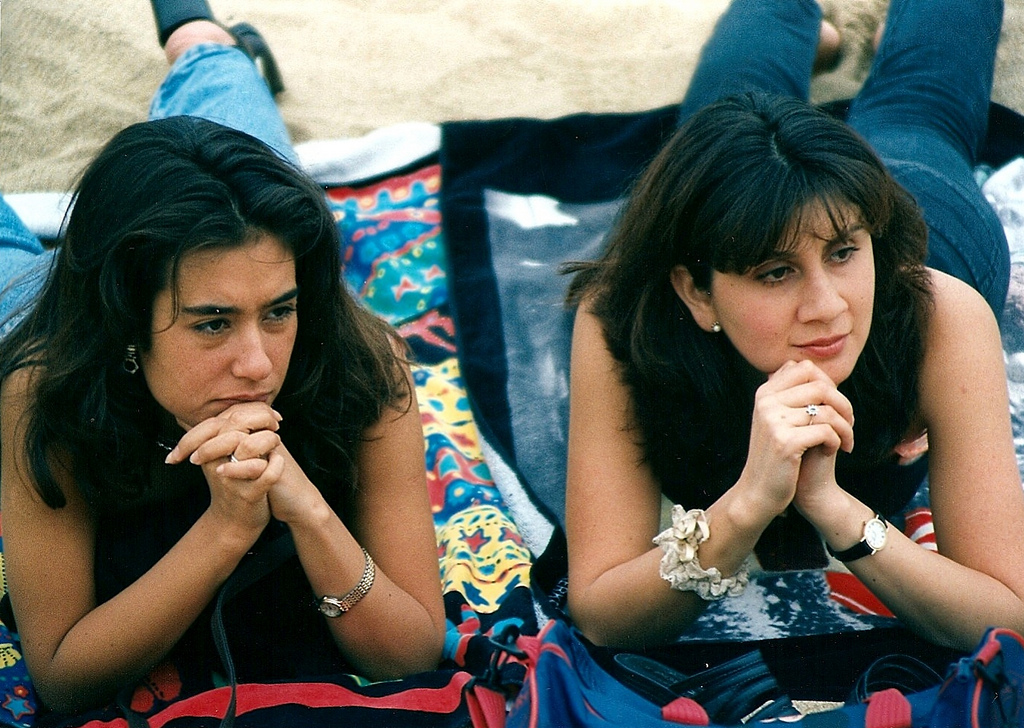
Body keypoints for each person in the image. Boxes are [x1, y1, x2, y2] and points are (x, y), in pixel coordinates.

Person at [562, 0, 1024, 700]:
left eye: (843, 256)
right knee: (726, 117)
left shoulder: (937, 314)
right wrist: (746, 505)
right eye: (775, 273)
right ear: (696, 291)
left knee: (918, 105)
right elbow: (599, 611)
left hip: (929, 217)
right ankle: (789, 13)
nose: (828, 306)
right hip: (742, 212)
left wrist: (834, 510)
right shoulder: (624, 320)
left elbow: (1007, 613)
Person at [0, 1, 445, 715]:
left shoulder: (360, 365)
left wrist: (309, 514)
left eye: (279, 312)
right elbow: (61, 677)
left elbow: (416, 650)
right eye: (213, 325)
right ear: (125, 327)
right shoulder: (48, 386)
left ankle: (198, 37)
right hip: (25, 314)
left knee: (239, 150)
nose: (258, 363)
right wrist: (226, 528)